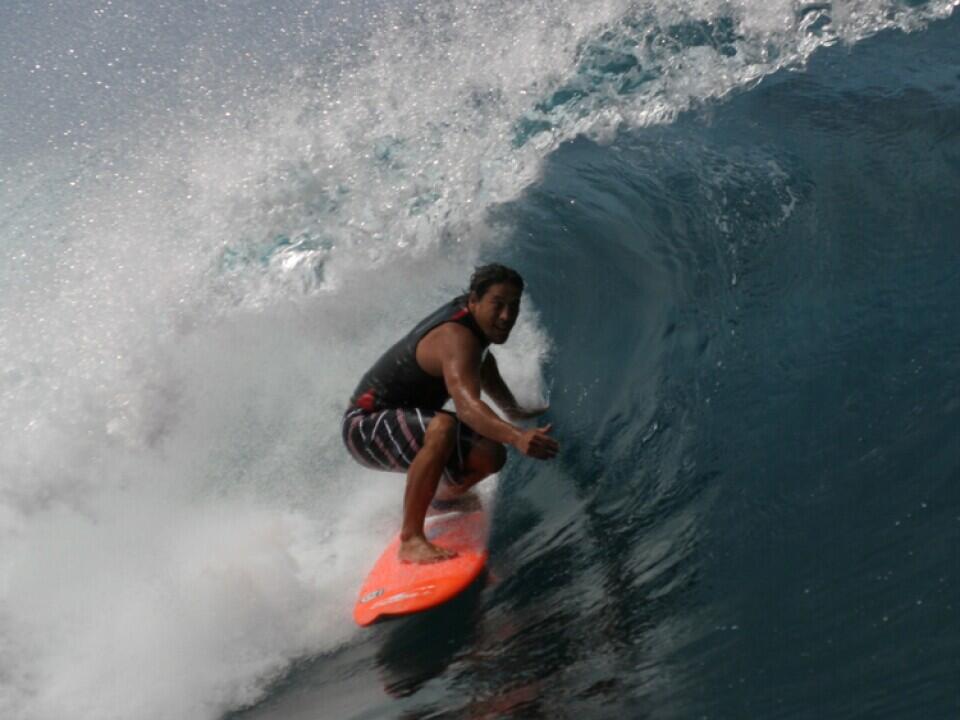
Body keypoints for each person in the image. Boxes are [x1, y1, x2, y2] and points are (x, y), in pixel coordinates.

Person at [341, 263, 559, 564]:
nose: (507, 316)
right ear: (474, 301)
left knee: (491, 454)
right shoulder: (456, 337)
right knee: (443, 426)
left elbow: (482, 363)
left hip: (397, 422)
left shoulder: (475, 329)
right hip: (364, 427)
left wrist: (512, 410)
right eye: (498, 305)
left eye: (514, 306)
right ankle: (411, 539)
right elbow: (468, 409)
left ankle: (445, 499)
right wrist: (518, 436)